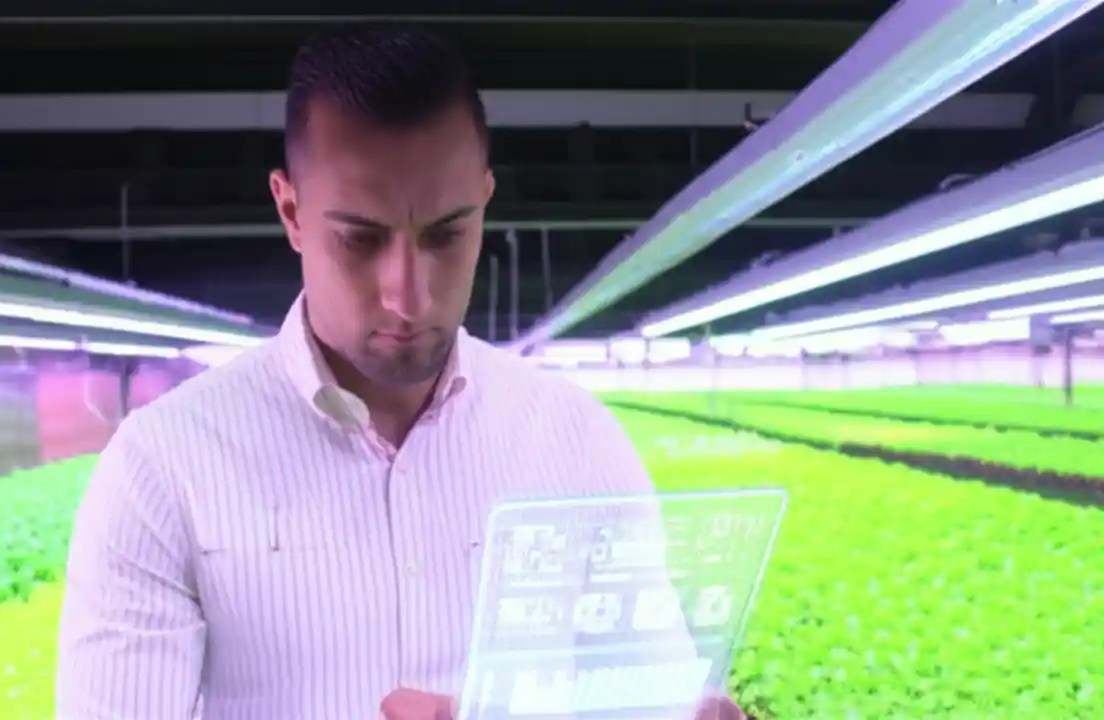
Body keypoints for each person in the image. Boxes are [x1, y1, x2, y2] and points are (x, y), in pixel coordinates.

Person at [55, 21, 746, 720]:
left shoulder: (578, 443)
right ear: (291, 211)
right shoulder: (163, 465)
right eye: (360, 238)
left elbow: (642, 701)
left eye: (446, 234)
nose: (407, 296)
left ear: (484, 200)